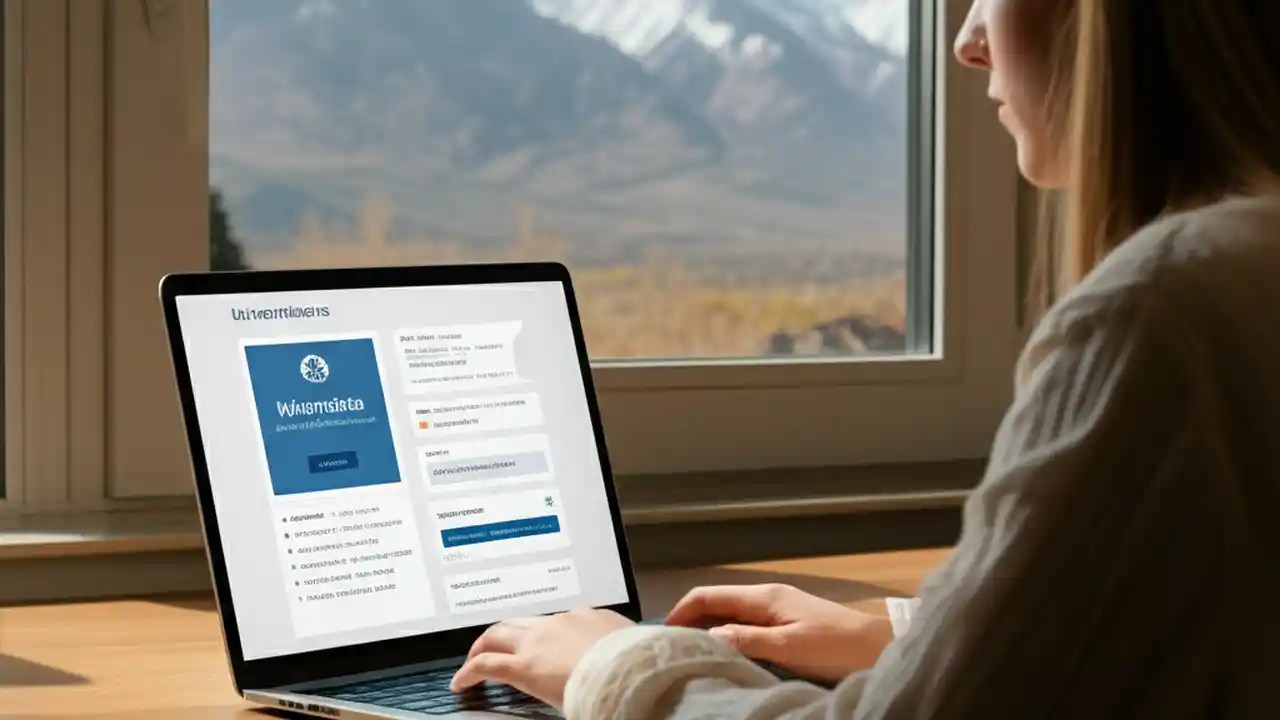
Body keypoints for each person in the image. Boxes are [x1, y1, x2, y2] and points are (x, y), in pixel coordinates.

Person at [451, 0, 1280, 716]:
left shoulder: (1164, 311)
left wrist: (611, 667)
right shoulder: (1246, 266)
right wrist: (915, 633)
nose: (966, 39)